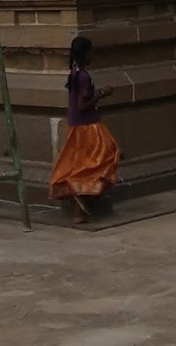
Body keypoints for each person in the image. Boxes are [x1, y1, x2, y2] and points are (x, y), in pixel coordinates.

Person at [48, 35, 119, 225]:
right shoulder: (84, 76)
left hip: (75, 124)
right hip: (88, 125)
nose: (92, 55)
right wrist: (102, 94)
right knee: (102, 159)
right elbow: (82, 105)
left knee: (81, 165)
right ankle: (79, 208)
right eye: (90, 51)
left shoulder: (74, 71)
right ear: (85, 53)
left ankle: (77, 204)